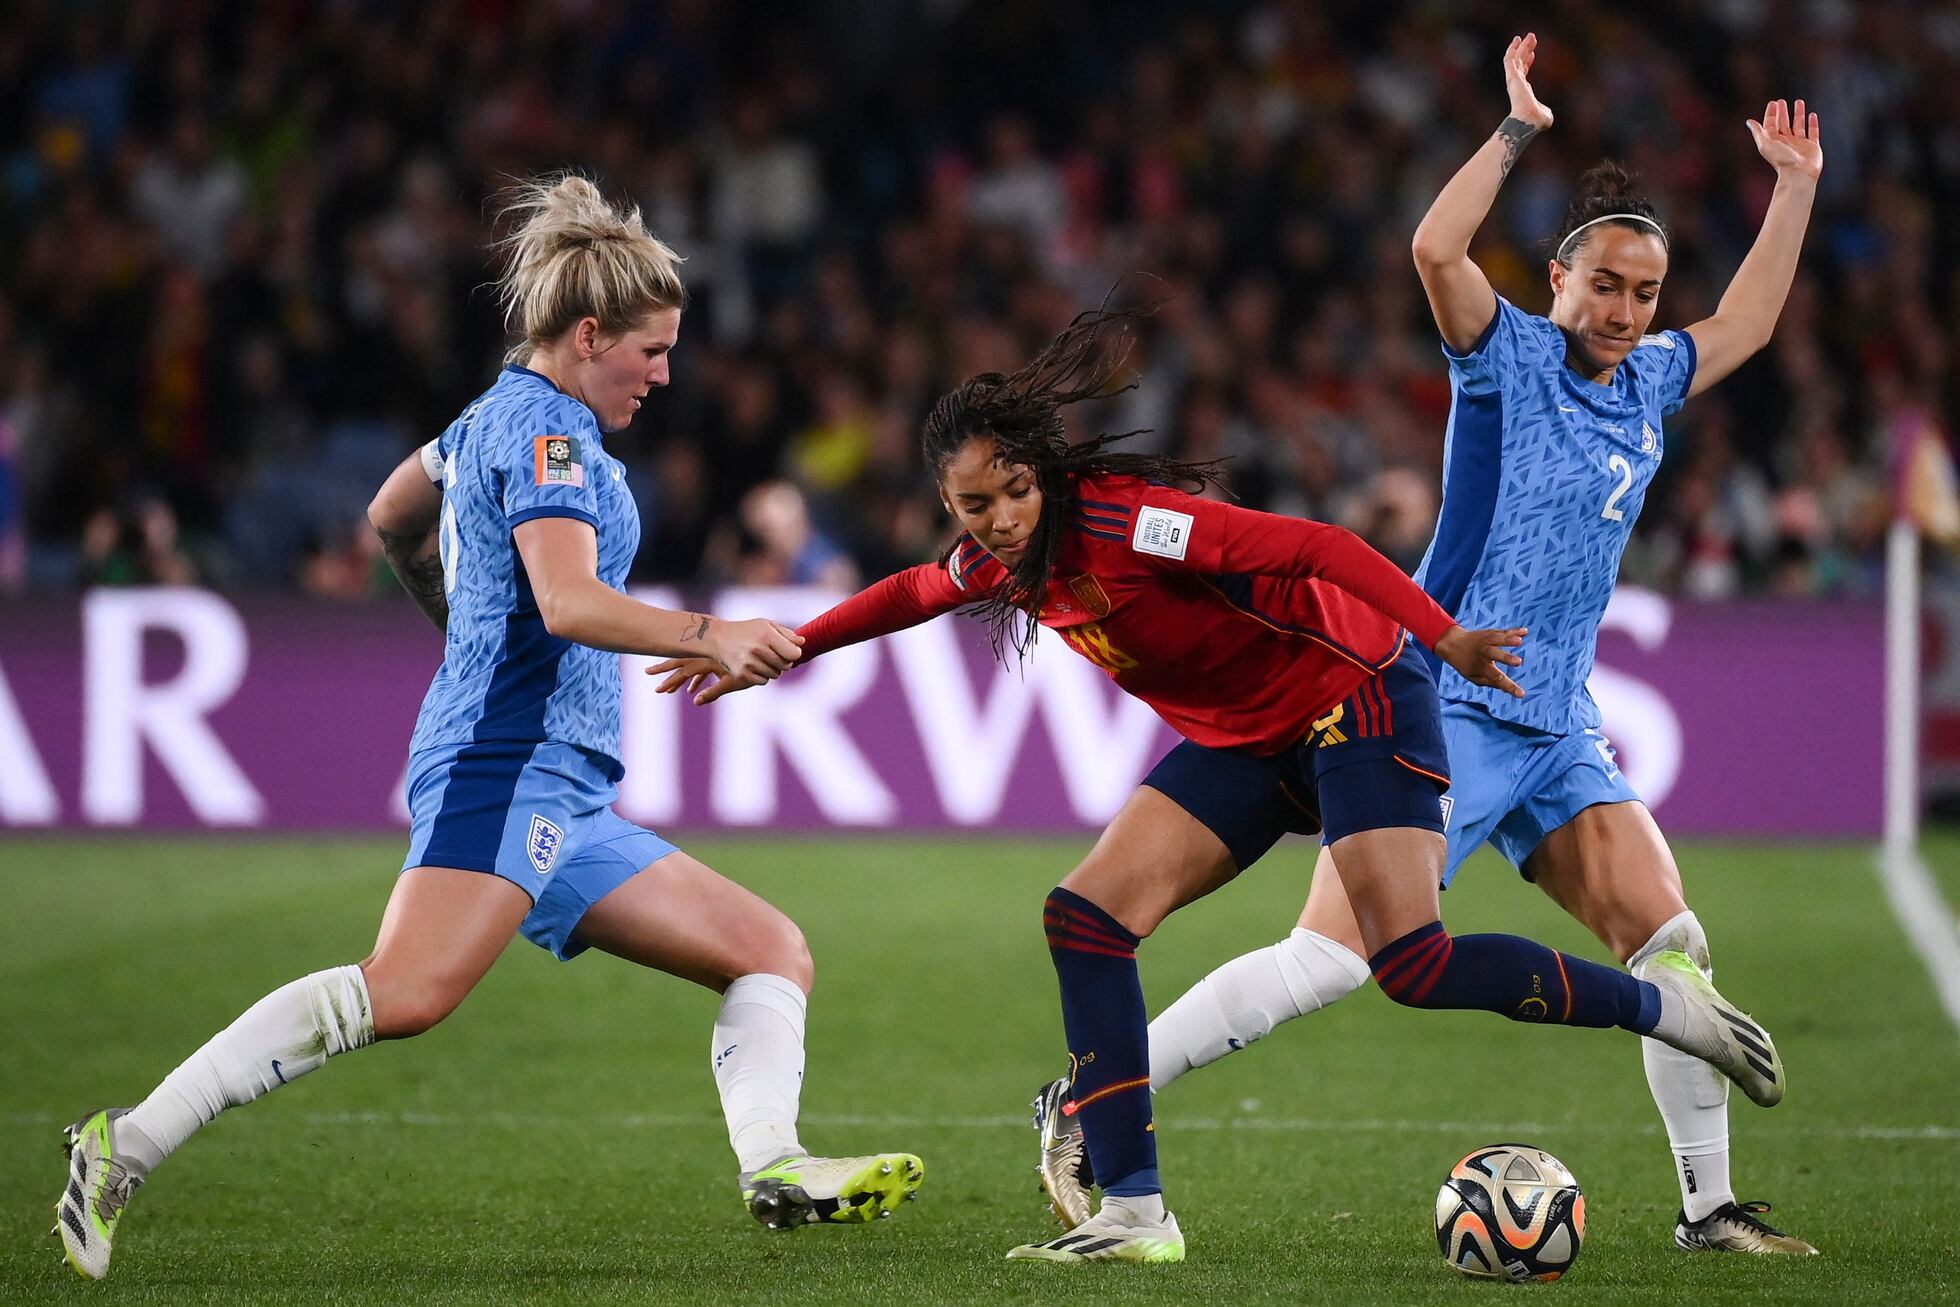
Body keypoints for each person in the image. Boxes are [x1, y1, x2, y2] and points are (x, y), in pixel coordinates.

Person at [650, 303, 1784, 1265]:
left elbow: (1318, 551)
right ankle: (1136, 1209)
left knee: (1408, 962)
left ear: (1039, 474)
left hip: (1358, 695)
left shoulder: (1129, 524)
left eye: (1005, 497)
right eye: (968, 508)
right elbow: (909, 592)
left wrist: (1441, 639)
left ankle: (1663, 1004)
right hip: (1251, 738)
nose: (991, 524)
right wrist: (791, 648)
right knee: (1085, 916)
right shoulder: (997, 556)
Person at [53, 175, 924, 1283]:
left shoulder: (485, 417)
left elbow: (390, 513)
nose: (663, 375)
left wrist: (461, 620)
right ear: (589, 332)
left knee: (769, 950)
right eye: (649, 352)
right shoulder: (551, 435)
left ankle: (778, 1164)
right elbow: (565, 602)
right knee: (405, 989)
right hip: (506, 763)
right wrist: (709, 631)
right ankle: (121, 1143)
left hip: (555, 783)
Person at [1052, 35, 1823, 1257]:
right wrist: (1515, 128)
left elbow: (1749, 318)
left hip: (1557, 719)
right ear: (1558, 278)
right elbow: (1433, 249)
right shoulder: (1505, 355)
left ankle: (1709, 1210)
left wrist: (1791, 188)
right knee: (1328, 957)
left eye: (1641, 293)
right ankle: (1092, 1098)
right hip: (1440, 699)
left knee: (1672, 945)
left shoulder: (1648, 379)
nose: (1624, 312)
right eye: (1604, 285)